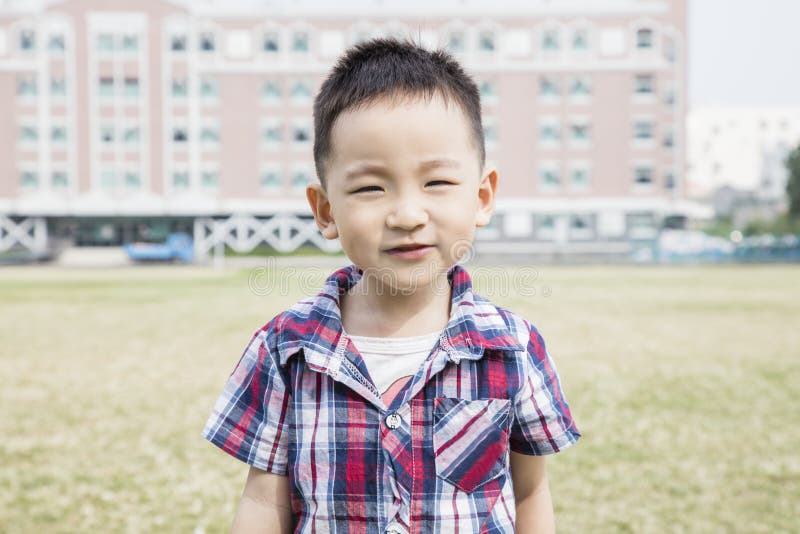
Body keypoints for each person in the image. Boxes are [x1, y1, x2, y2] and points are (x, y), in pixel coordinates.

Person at [202, 37, 581, 533]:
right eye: (370, 187)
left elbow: (530, 491)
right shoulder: (285, 349)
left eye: (437, 182)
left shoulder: (513, 347)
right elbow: (263, 502)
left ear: (482, 196)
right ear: (326, 210)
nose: (406, 215)